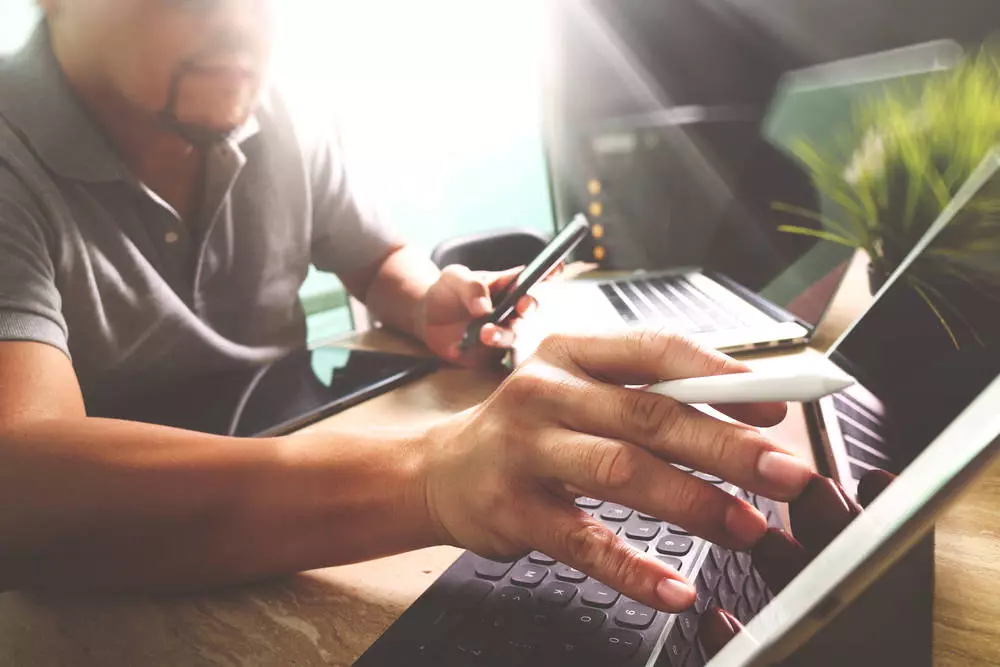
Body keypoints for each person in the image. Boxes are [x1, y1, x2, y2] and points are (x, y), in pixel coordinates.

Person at [0, 0, 814, 613]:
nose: (244, 25)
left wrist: (426, 295)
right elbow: (23, 485)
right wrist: (432, 478)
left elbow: (374, 254)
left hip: (293, 465)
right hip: (108, 590)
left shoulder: (279, 110)